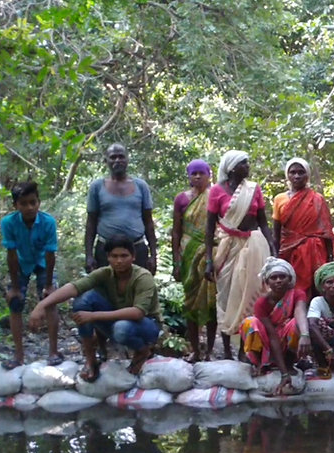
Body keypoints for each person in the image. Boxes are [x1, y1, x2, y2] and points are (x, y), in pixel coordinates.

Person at [30, 236, 161, 380]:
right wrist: (42, 305)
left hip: (146, 325)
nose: (119, 261)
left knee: (121, 328)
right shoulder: (105, 273)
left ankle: (142, 350)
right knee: (83, 300)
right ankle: (90, 359)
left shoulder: (143, 277)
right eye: (114, 256)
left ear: (133, 257)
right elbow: (74, 287)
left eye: (124, 256)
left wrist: (93, 316)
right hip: (117, 321)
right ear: (108, 258)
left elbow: (138, 312)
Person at [205, 150, 276, 349]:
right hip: (228, 247)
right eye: (244, 163)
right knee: (227, 296)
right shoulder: (216, 191)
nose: (248, 166)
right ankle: (227, 347)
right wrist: (210, 260)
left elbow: (263, 221)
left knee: (253, 292)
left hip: (254, 245)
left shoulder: (254, 189)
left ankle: (248, 347)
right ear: (232, 168)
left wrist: (272, 248)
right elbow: (210, 227)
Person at [0, 181, 61, 369]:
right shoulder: (8, 223)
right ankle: (18, 355)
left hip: (43, 262)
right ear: (15, 205)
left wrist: (49, 285)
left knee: (50, 300)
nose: (29, 207)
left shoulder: (48, 222)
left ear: (39, 202)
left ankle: (53, 352)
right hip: (21, 262)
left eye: (33, 202)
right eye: (24, 203)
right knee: (15, 303)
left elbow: (51, 255)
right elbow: (11, 254)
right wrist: (15, 287)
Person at [172, 159, 226, 362]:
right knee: (190, 303)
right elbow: (176, 232)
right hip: (188, 254)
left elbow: (224, 224)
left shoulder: (216, 195)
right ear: (188, 176)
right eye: (193, 173)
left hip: (211, 253)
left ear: (208, 174)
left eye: (201, 173)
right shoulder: (181, 199)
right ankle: (195, 350)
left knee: (211, 303)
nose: (197, 177)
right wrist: (176, 260)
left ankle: (210, 351)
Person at [239, 258, 311, 392]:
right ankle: (261, 363)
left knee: (299, 324)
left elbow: (300, 312)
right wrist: (284, 374)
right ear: (267, 282)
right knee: (250, 323)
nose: (278, 280)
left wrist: (305, 335)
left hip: (287, 338)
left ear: (289, 279)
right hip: (268, 340)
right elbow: (272, 336)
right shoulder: (262, 303)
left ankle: (289, 363)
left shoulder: (297, 294)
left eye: (282, 277)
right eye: (274, 277)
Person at [85, 143, 157, 273]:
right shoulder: (97, 187)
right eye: (113, 157)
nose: (117, 160)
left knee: (137, 290)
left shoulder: (141, 186)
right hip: (106, 251)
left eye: (121, 156)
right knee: (106, 291)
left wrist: (153, 256)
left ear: (127, 159)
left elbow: (148, 222)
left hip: (136, 250)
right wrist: (89, 255)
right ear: (106, 160)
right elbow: (91, 222)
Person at [272, 157, 334, 295]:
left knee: (317, 286)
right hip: (290, 251)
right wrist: (275, 256)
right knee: (292, 288)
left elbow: (326, 230)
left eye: (301, 172)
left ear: (307, 175)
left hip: (316, 251)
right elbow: (276, 232)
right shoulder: (279, 199)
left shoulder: (317, 199)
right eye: (293, 172)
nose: (297, 176)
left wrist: (330, 257)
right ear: (287, 175)